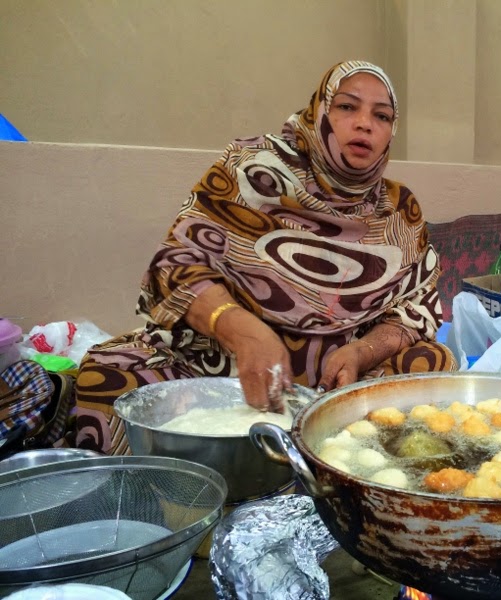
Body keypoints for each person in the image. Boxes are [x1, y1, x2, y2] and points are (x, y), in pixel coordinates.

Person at [72, 60, 456, 454]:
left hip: (339, 378)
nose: (364, 124)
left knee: (435, 362)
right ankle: (164, 496)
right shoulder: (252, 170)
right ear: (319, 112)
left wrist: (361, 352)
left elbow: (414, 311)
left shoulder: (397, 209)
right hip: (224, 364)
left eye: (382, 115)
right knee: (110, 374)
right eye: (346, 107)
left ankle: (356, 472)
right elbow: (176, 267)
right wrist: (242, 332)